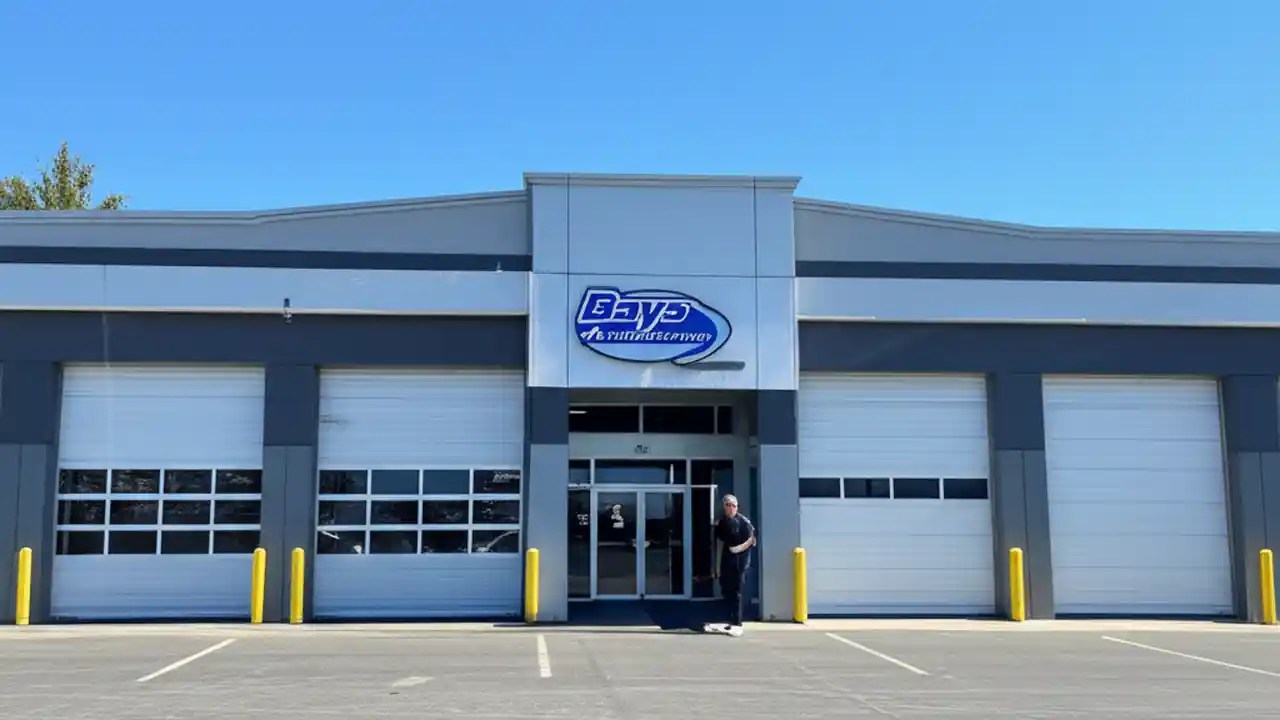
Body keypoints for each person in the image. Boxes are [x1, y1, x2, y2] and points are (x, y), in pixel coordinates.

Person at [709, 494, 755, 637]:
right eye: (728, 505)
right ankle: (730, 619)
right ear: (724, 506)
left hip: (740, 562)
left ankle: (737, 622)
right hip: (727, 561)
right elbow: (717, 539)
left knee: (736, 592)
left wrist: (738, 550)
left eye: (733, 505)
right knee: (726, 589)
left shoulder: (743, 522)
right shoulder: (723, 522)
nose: (731, 508)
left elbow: (752, 540)